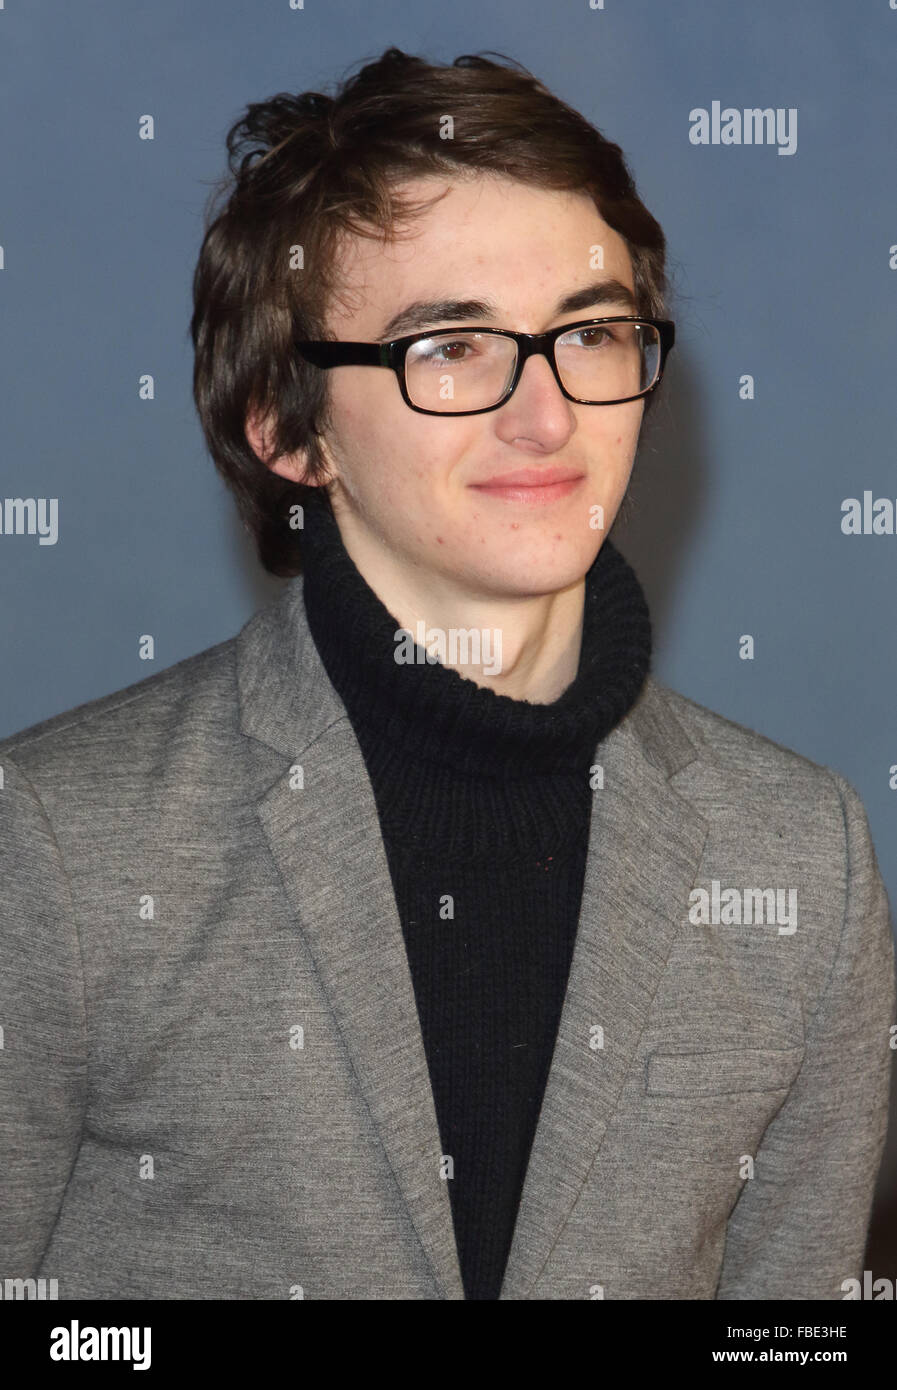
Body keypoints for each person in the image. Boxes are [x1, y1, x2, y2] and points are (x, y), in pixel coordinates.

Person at [0, 47, 893, 1302]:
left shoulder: (803, 859)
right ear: (288, 428)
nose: (545, 416)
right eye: (454, 347)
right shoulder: (56, 844)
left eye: (590, 332)